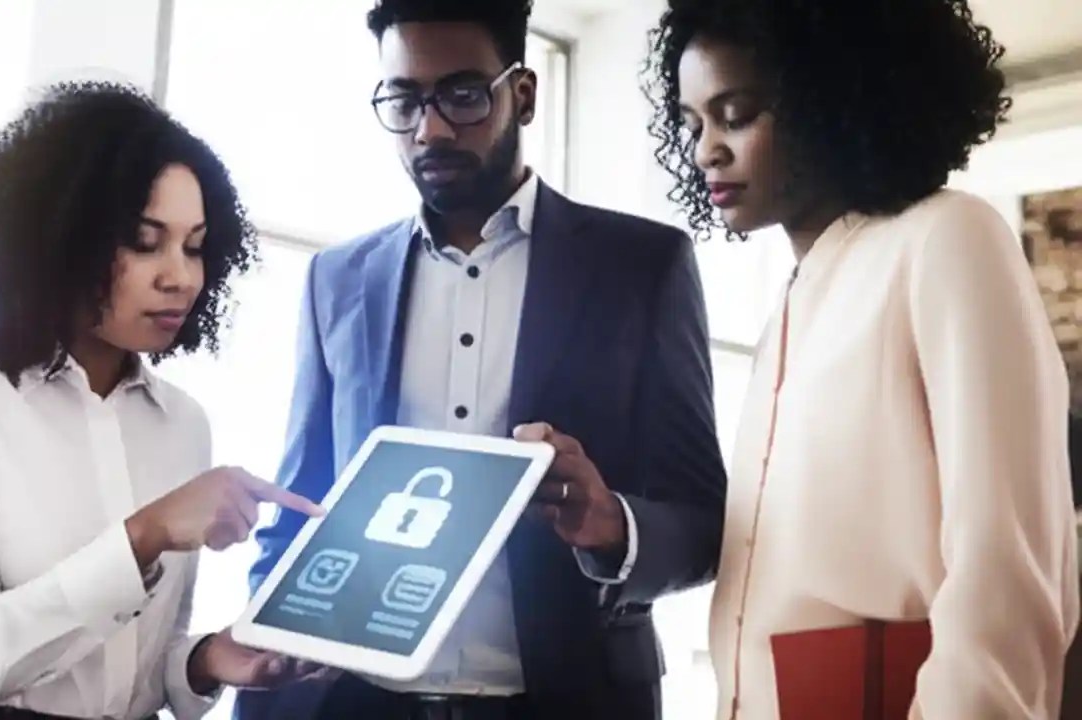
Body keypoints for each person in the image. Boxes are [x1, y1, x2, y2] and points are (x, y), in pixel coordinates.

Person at [237, 1, 728, 718]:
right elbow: (299, 508)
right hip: (357, 705)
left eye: (463, 96)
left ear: (522, 94)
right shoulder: (337, 280)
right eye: (403, 100)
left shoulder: (642, 266)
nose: (429, 129)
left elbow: (705, 524)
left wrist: (612, 523)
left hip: (567, 702)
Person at [644, 0, 1081, 717]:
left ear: (834, 100)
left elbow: (1004, 584)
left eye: (737, 114)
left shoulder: (947, 239)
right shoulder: (788, 308)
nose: (705, 151)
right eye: (693, 124)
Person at [0, 82, 325, 720]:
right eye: (145, 242)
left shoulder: (182, 423)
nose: (181, 276)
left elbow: (136, 662)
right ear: (60, 236)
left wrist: (203, 660)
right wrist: (145, 535)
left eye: (195, 246)